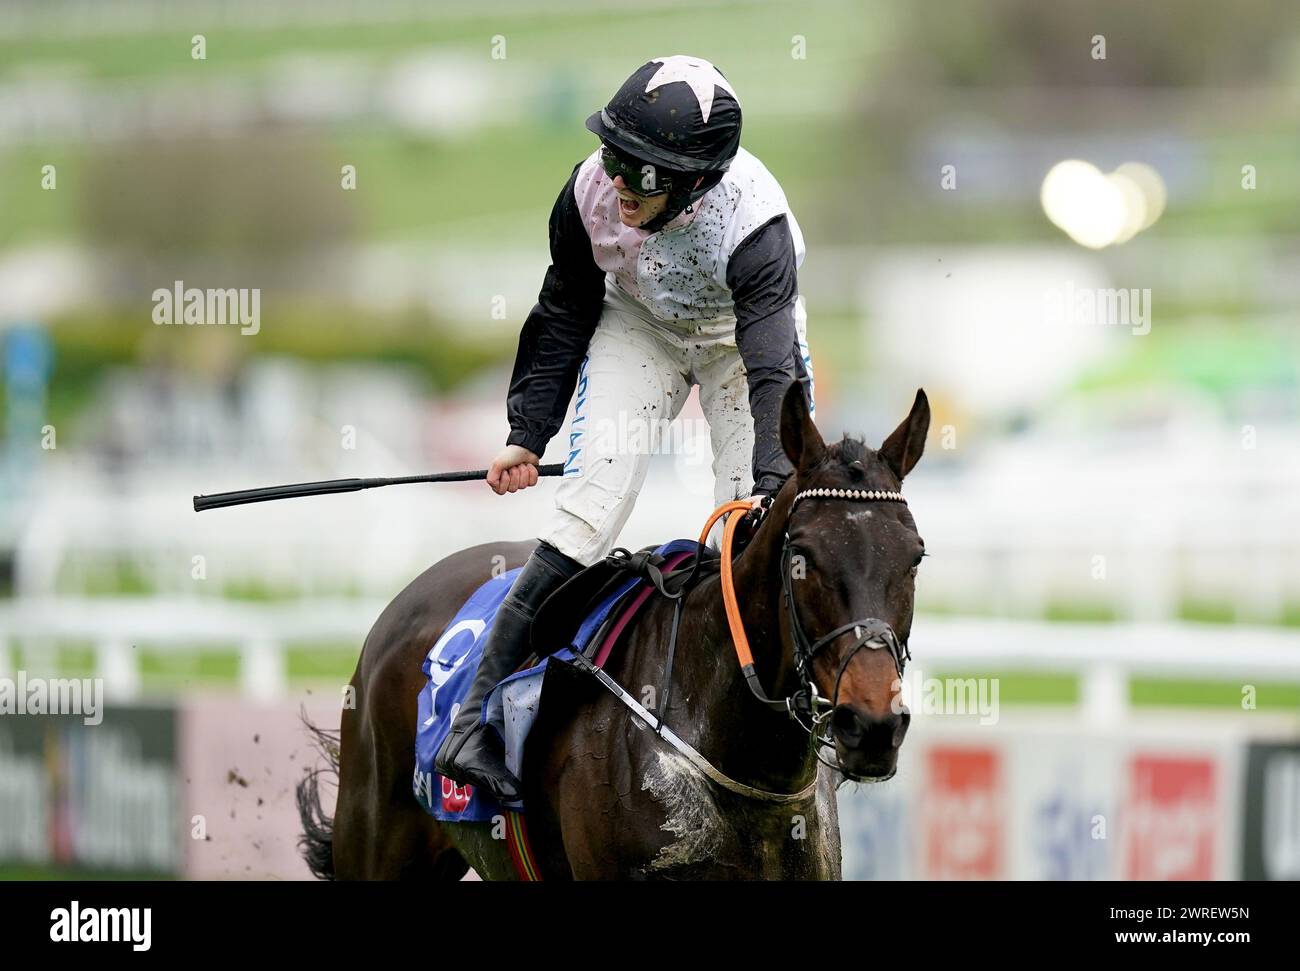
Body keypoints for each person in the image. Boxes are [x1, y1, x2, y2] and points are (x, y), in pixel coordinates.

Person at [435, 55, 815, 801]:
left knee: (750, 525)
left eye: (641, 173)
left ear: (698, 181)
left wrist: (775, 480)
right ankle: (471, 719)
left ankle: (781, 722)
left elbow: (773, 369)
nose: (617, 181)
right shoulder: (588, 194)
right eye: (615, 156)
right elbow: (564, 308)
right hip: (639, 325)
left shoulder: (754, 228)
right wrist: (527, 432)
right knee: (590, 509)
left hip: (740, 344)